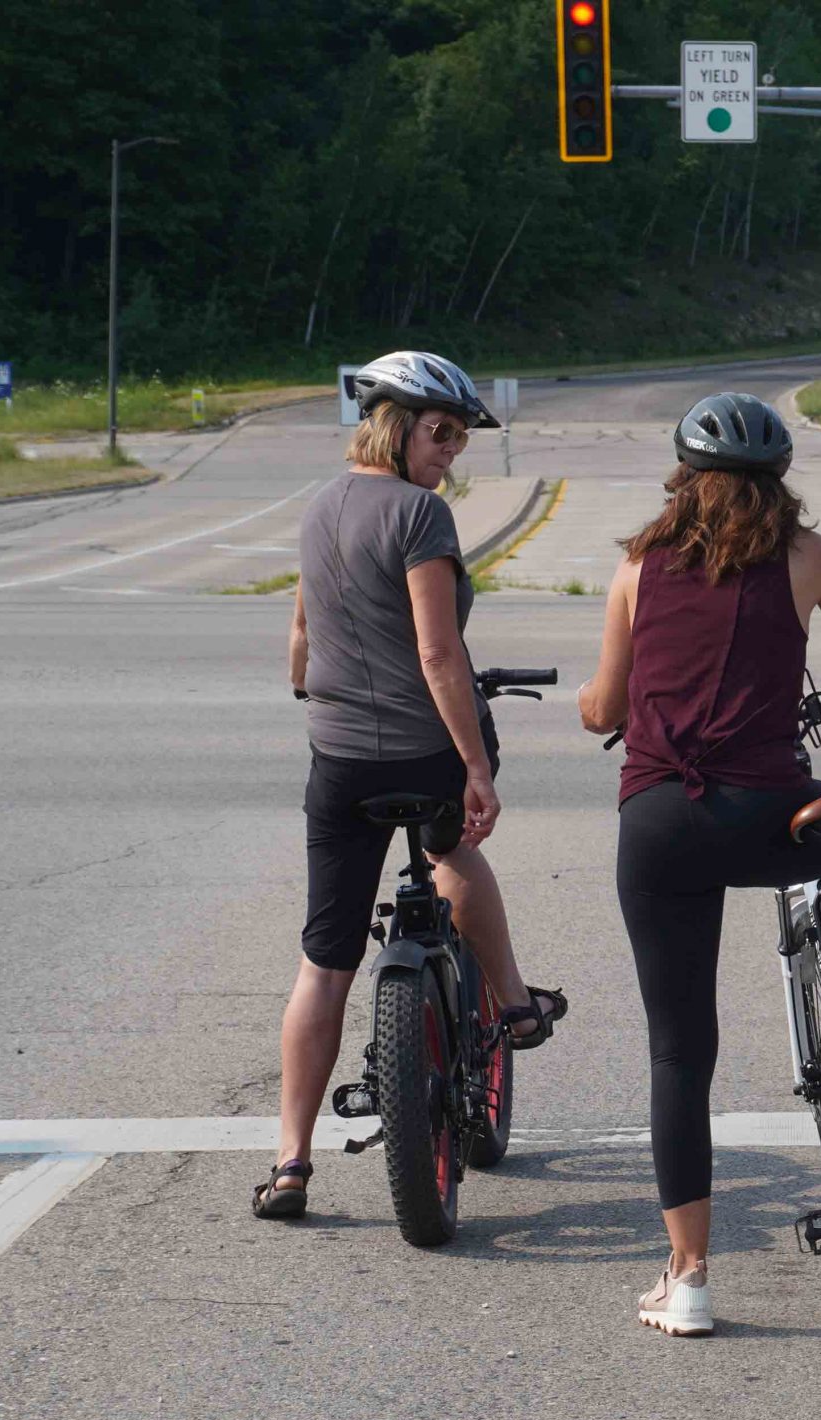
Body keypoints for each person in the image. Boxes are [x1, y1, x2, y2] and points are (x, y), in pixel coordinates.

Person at [579, 391, 821, 1339]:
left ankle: (689, 1278)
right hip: (772, 812)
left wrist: (600, 702)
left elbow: (602, 708)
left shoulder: (638, 566)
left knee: (679, 1050)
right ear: (779, 481)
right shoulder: (806, 556)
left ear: (684, 478)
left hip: (662, 820)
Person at [261, 351, 566, 1221]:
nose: (451, 451)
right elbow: (439, 654)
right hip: (424, 753)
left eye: (460, 438)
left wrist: (320, 697)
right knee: (455, 847)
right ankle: (514, 1005)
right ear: (394, 427)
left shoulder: (319, 508)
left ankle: (290, 1162)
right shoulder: (421, 514)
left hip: (340, 762)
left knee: (325, 962)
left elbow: (300, 641)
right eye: (441, 433)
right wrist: (475, 766)